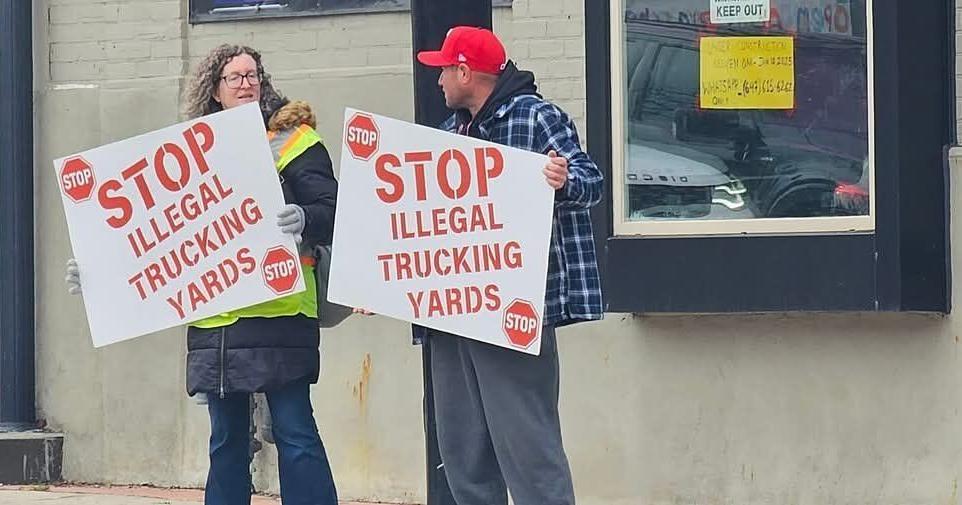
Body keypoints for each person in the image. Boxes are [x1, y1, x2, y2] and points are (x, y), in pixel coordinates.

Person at [65, 44, 339, 505]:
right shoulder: (188, 156)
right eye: (234, 77)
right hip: (218, 322)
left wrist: (305, 218)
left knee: (295, 434)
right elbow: (148, 234)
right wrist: (95, 272)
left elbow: (333, 208)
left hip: (280, 310)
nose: (246, 83)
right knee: (226, 442)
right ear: (215, 89)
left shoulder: (294, 142)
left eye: (252, 75)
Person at [414, 26, 604, 505]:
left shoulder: (537, 119)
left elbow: (590, 181)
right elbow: (418, 224)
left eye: (443, 69)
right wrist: (382, 281)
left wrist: (562, 178)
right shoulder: (446, 135)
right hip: (452, 312)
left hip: (513, 308)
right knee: (461, 448)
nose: (437, 80)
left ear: (465, 71)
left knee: (527, 444)